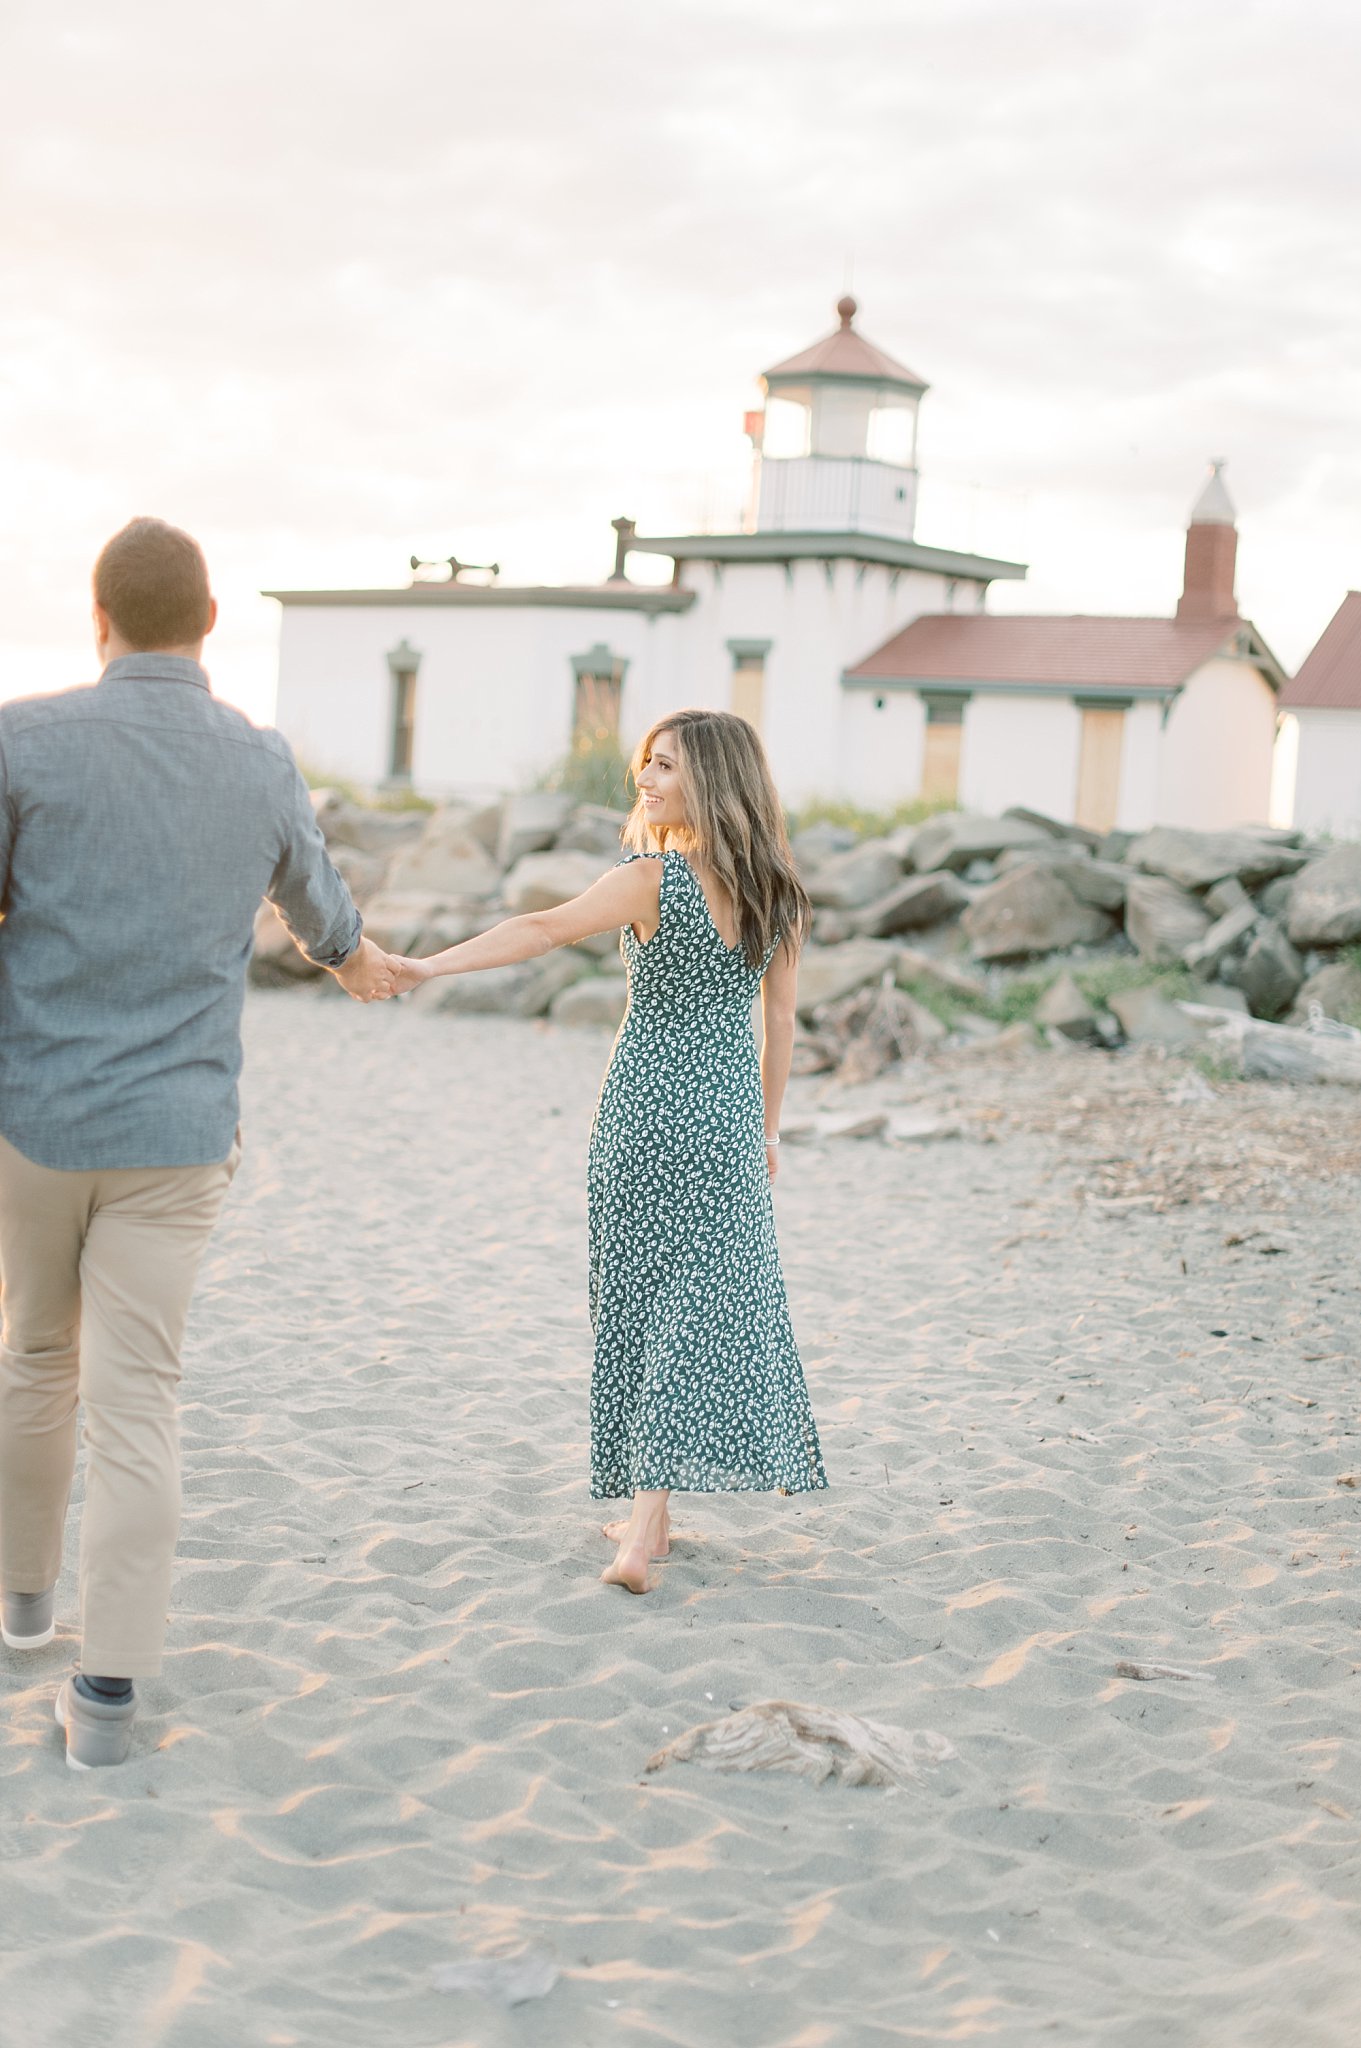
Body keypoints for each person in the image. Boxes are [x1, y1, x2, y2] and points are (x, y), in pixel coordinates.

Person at [0, 516, 397, 1769]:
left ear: (98, 617)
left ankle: (23, 1608)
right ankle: (106, 1700)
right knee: (139, 1403)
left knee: (32, 1351)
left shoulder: (22, 739)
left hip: (35, 1119)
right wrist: (360, 963)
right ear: (212, 622)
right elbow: (322, 914)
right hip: (175, 1133)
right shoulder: (261, 757)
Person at [393, 709, 828, 1591]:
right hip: (725, 1119)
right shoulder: (777, 890)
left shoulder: (651, 882)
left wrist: (429, 967)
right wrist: (768, 1131)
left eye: (664, 766)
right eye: (645, 764)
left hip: (640, 1113)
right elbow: (778, 1021)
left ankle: (638, 1534)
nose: (646, 780)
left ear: (708, 779)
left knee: (637, 1300)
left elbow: (539, 930)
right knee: (699, 1309)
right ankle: (652, 1523)